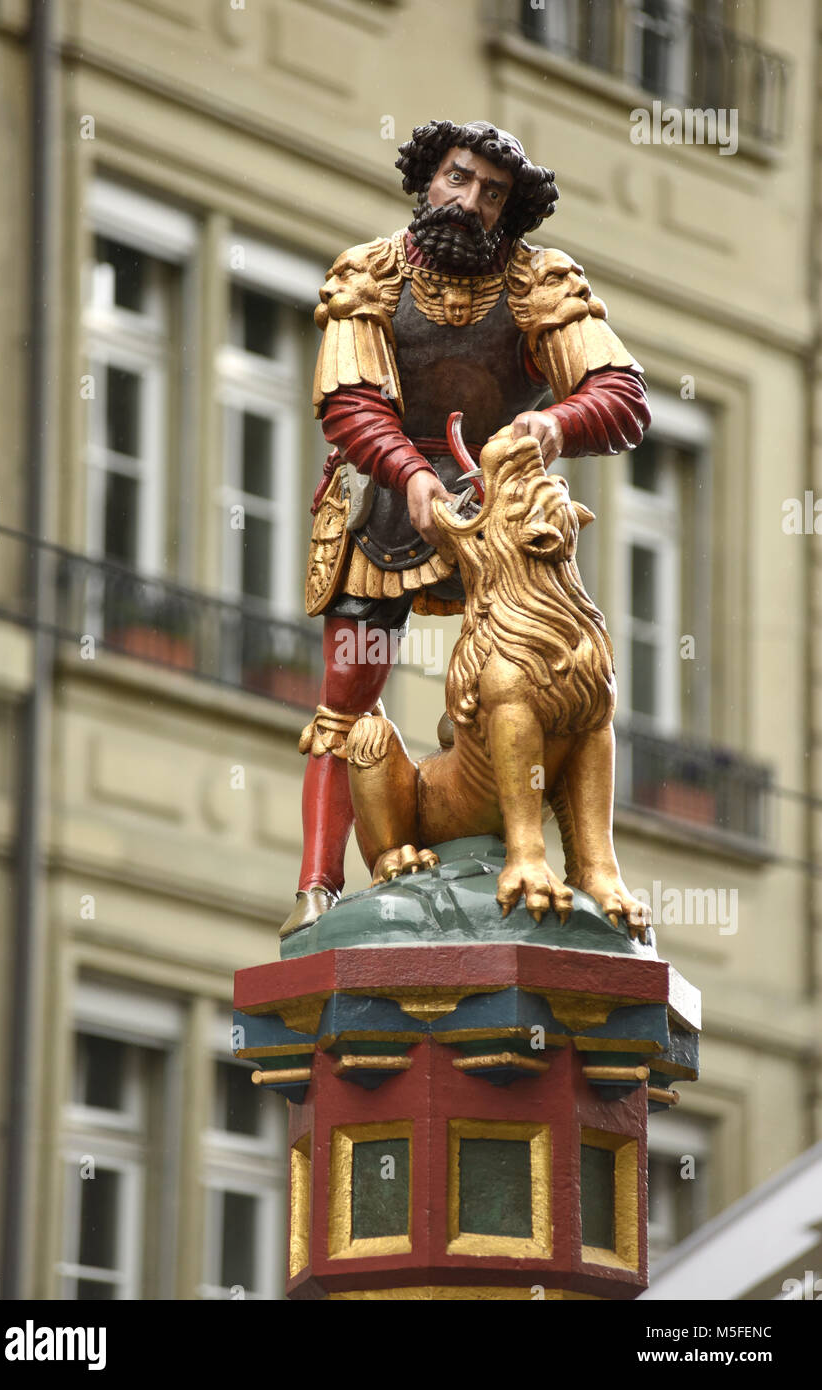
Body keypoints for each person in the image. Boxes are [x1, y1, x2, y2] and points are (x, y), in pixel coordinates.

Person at [279, 118, 650, 940]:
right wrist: (408, 473)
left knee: (546, 671)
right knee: (347, 696)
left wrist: (552, 429)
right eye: (457, 177)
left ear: (509, 210)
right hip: (382, 497)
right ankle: (317, 885)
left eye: (491, 192)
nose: (469, 200)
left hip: (503, 507)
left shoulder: (536, 281)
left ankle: (556, 853)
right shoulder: (369, 272)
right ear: (426, 178)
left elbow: (620, 393)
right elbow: (349, 404)